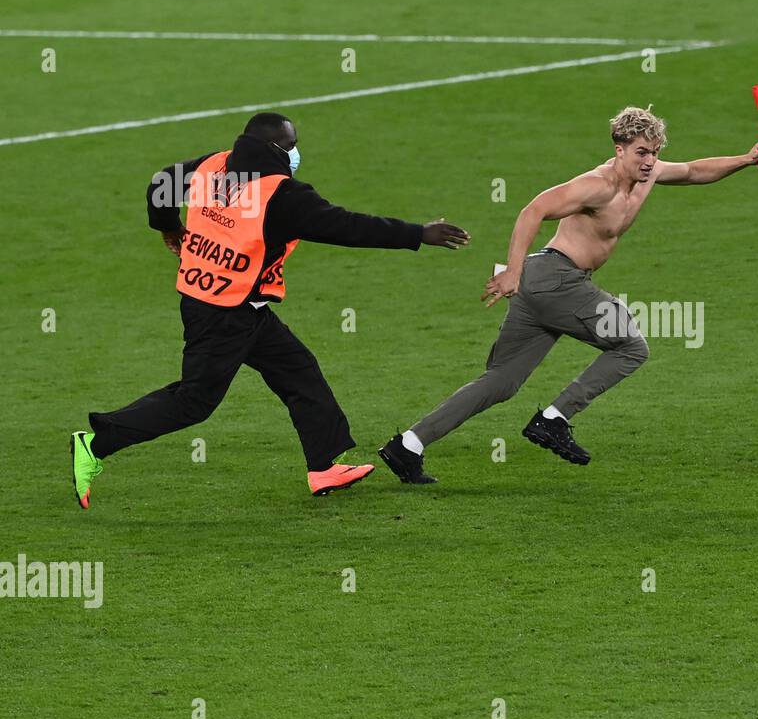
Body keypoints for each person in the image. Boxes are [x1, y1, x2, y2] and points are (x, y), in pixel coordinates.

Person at [70, 112, 470, 507]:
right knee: (194, 401)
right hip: (226, 312)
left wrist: (168, 227)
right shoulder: (282, 196)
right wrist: (418, 234)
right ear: (276, 148)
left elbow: (161, 183)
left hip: (221, 300)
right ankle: (96, 443)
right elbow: (347, 226)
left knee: (299, 370)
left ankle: (324, 467)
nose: (296, 154)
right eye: (292, 146)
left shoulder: (213, 164)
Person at [377, 106, 758, 483]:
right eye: (642, 152)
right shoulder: (597, 185)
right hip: (556, 279)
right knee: (631, 345)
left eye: (655, 152)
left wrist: (747, 159)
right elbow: (534, 210)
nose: (650, 161)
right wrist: (512, 271)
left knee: (502, 381)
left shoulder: (649, 174)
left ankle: (407, 445)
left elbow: (696, 171)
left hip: (544, 283)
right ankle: (553, 420)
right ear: (620, 149)